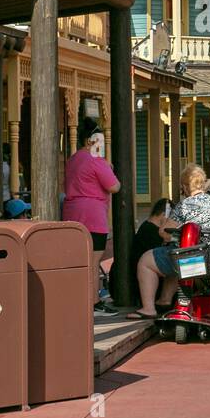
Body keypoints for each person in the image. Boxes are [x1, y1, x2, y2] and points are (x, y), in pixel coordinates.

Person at [62, 119, 121, 312]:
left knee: (78, 260)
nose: (101, 144)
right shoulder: (96, 160)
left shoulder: (73, 159)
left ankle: (76, 298)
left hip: (72, 212)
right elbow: (114, 186)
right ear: (90, 141)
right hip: (93, 214)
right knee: (93, 261)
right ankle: (94, 301)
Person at [128, 197, 182, 320]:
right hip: (144, 285)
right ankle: (163, 301)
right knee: (173, 260)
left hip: (146, 283)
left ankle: (165, 300)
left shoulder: (146, 228)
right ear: (164, 215)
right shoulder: (151, 232)